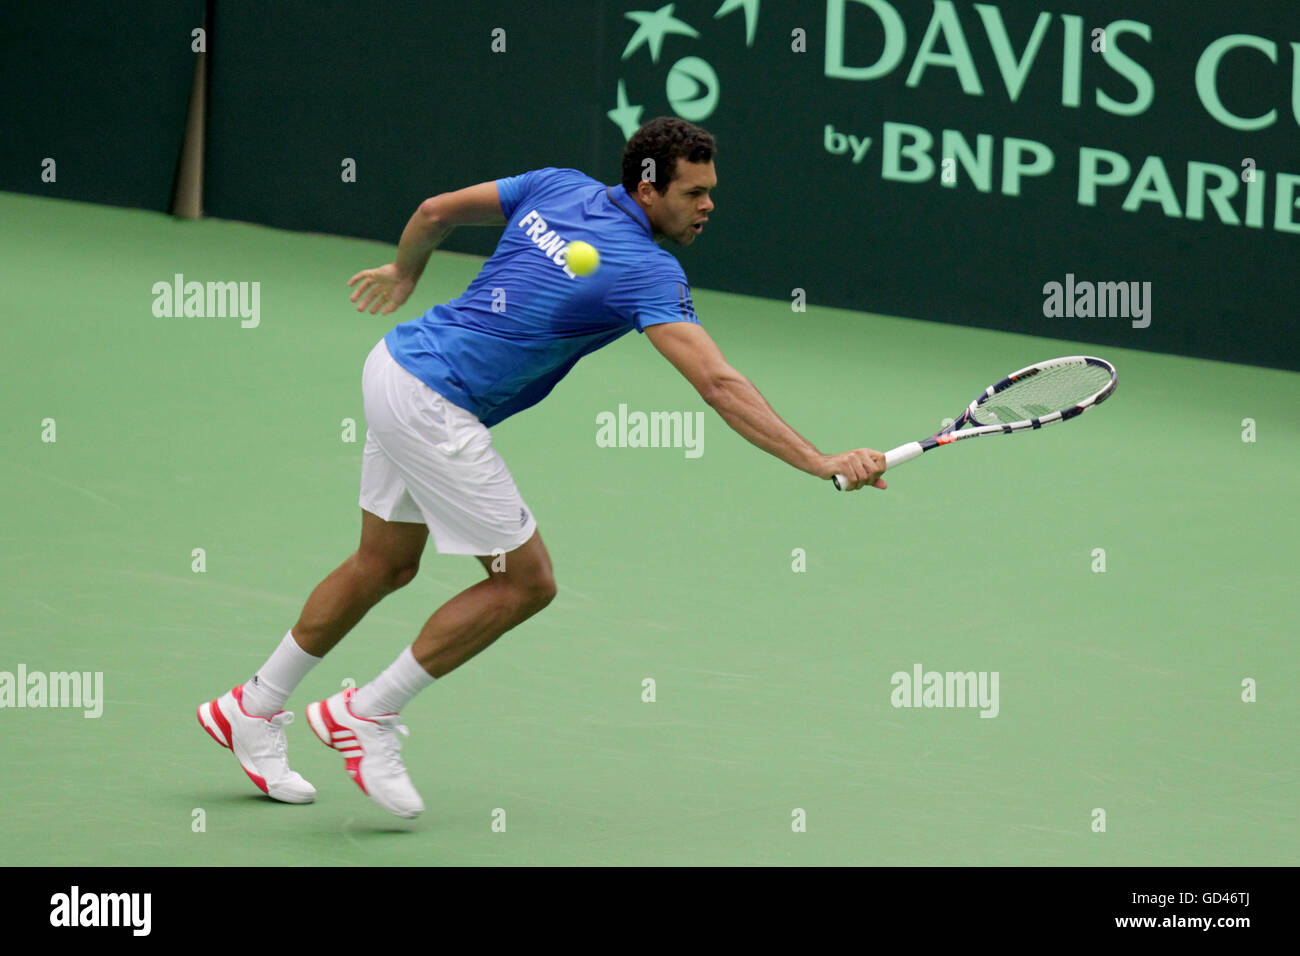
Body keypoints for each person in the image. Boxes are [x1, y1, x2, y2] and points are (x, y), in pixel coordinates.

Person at [197, 116, 887, 819]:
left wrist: (403, 271)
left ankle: (249, 708)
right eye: (694, 193)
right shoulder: (648, 271)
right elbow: (718, 384)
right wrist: (817, 460)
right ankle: (366, 714)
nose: (710, 206)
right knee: (524, 583)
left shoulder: (556, 185)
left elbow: (434, 212)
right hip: (436, 403)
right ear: (648, 190)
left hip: (395, 365)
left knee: (383, 564)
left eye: (711, 192)